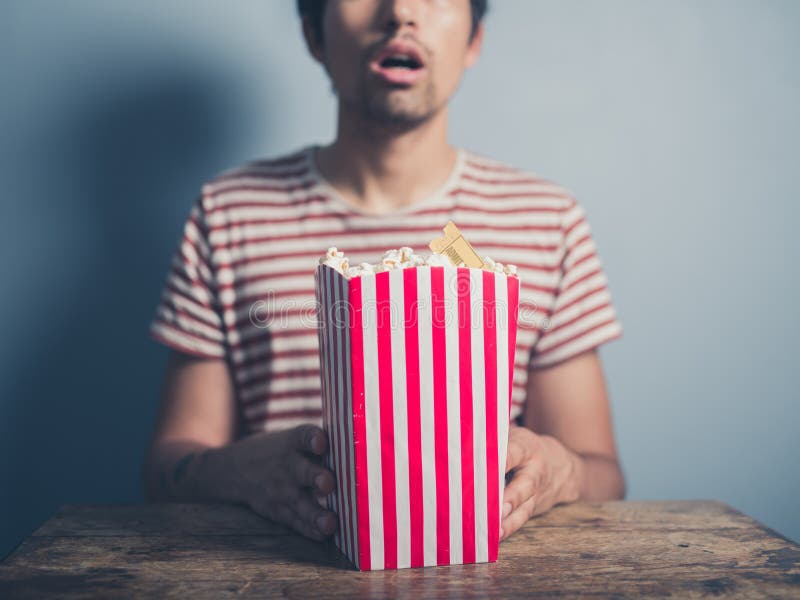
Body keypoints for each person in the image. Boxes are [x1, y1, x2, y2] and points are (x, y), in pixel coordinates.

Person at [143, 0, 626, 545]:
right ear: (313, 34)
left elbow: (603, 474)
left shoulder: (546, 220)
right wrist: (238, 470)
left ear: (473, 41)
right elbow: (167, 471)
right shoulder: (228, 214)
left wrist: (559, 470)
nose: (400, 12)